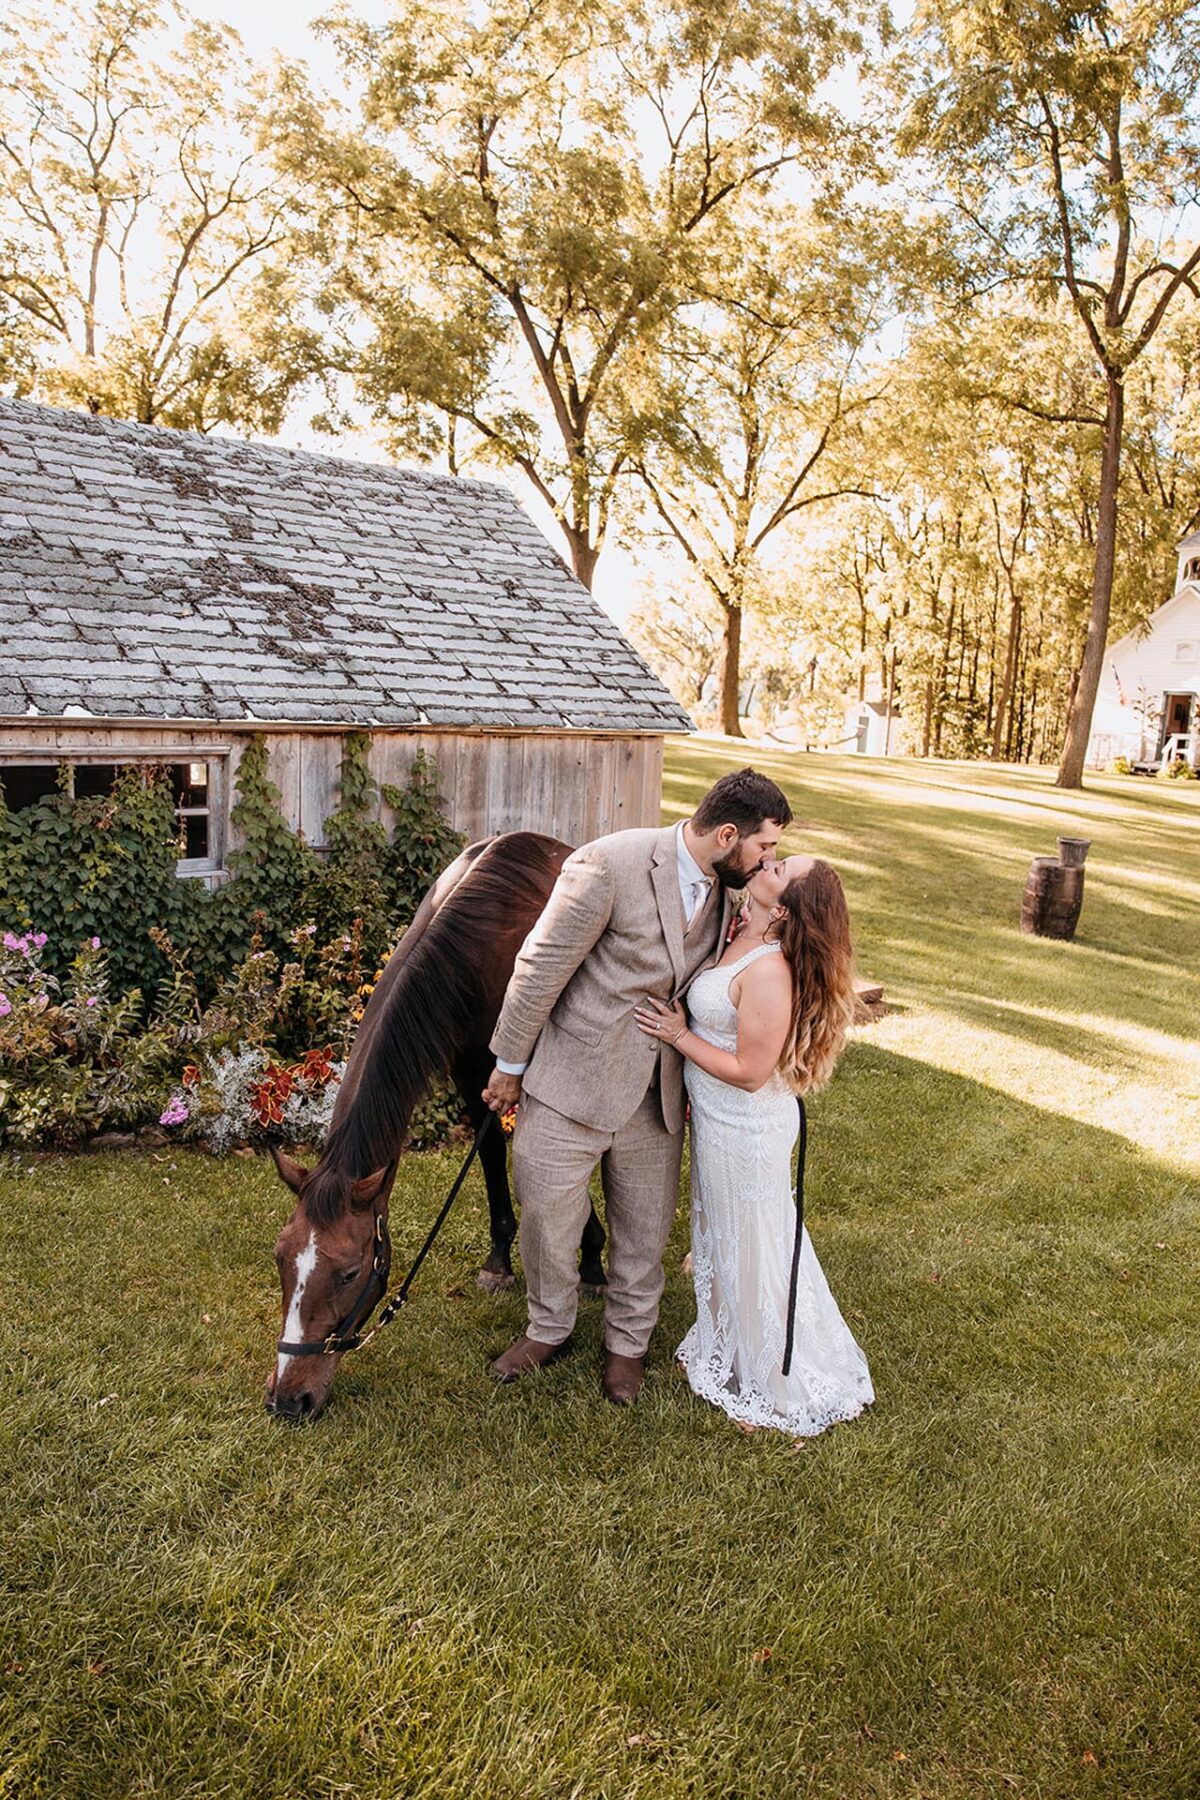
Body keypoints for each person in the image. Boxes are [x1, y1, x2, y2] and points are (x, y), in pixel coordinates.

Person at [482, 768, 792, 1405]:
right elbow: (540, 967)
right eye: (764, 846)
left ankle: (628, 1344)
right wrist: (509, 1066)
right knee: (547, 1218)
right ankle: (548, 1327)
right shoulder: (607, 865)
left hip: (658, 1094)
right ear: (727, 835)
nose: (768, 860)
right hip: (571, 1080)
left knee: (643, 1232)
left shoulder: (732, 890)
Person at [635, 856, 873, 1436]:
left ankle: (773, 1377)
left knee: (754, 1238)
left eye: (779, 867)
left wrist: (679, 1035)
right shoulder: (742, 931)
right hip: (718, 1121)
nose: (767, 861)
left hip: (747, 1126)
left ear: (785, 907)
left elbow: (749, 1071)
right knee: (725, 1231)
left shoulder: (769, 971)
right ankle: (726, 1343)